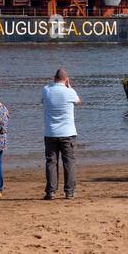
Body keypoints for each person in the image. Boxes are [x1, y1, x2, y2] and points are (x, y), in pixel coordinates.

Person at [41, 68, 81, 200]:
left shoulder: (46, 90)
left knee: (51, 162)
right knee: (69, 162)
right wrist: (69, 86)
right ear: (66, 79)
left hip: (50, 133)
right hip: (68, 133)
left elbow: (43, 100)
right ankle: (69, 192)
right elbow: (78, 102)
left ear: (54, 78)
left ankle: (51, 191)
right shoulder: (70, 92)